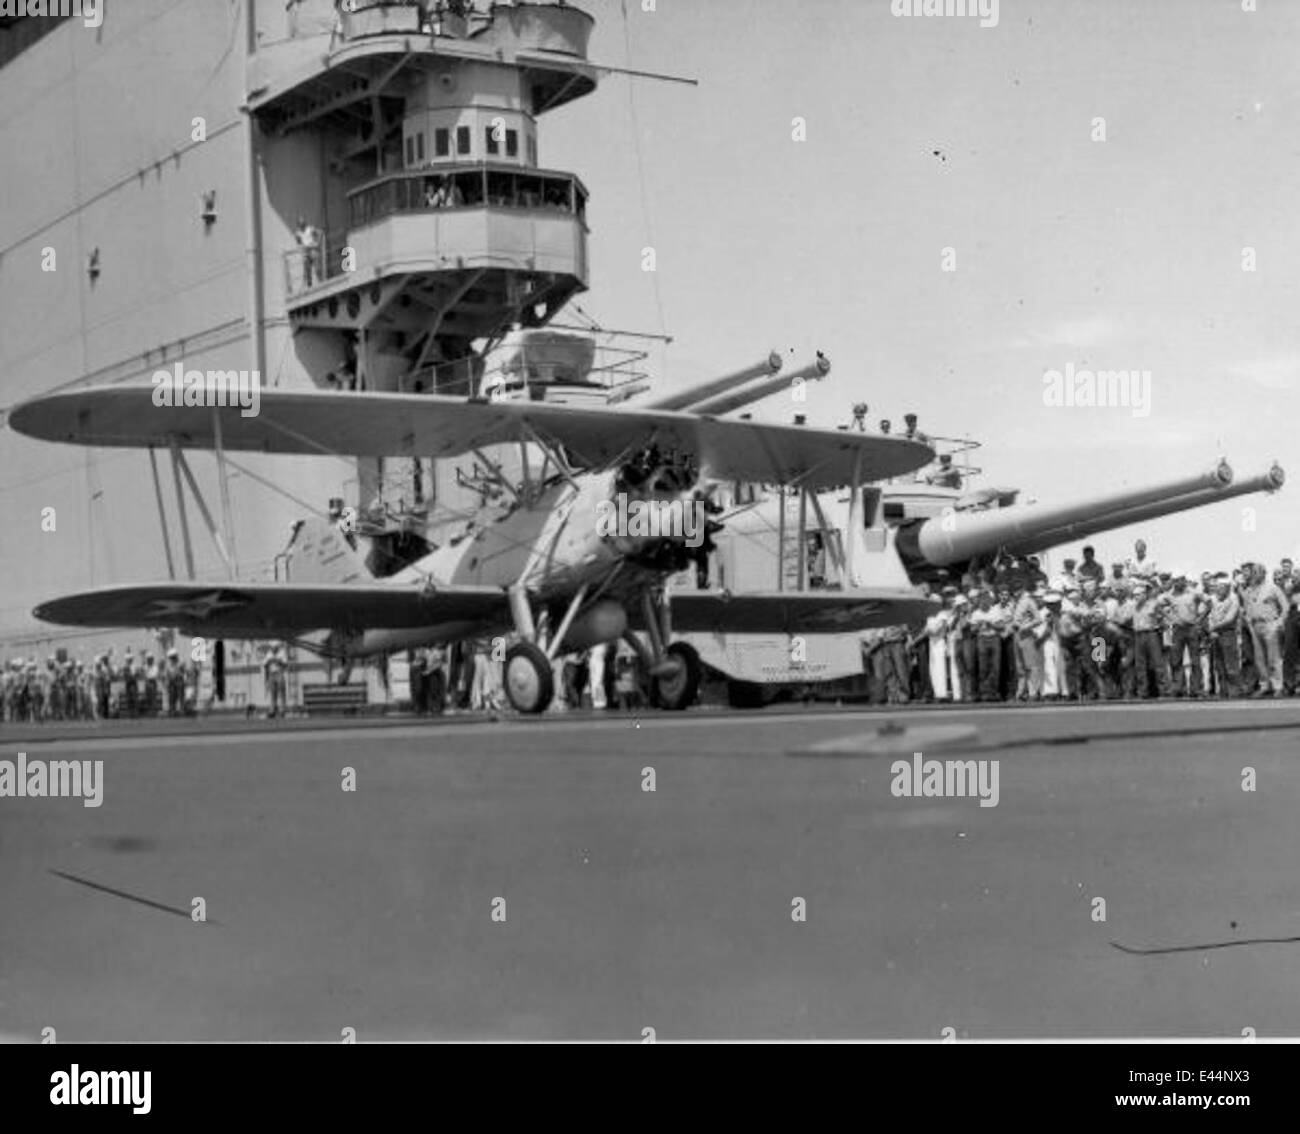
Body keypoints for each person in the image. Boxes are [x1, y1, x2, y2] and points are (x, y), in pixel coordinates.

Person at [1242, 562, 1287, 697]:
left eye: (1258, 572)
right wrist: (1249, 622)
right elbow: (1247, 608)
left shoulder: (1272, 588)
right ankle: (1264, 685)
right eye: (1254, 572)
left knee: (1274, 657)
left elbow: (1285, 606)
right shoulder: (1249, 590)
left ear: (1263, 573)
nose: (1255, 574)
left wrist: (1278, 623)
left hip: (1269, 625)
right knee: (1259, 658)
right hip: (1255, 626)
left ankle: (1278, 686)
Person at [1206, 575, 1242, 698]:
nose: (1218, 589)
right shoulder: (1213, 599)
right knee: (1219, 664)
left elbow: (1230, 618)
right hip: (1215, 634)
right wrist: (1212, 630)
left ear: (1228, 588)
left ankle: (1234, 691)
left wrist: (1214, 627)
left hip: (1228, 633)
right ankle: (1223, 690)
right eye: (1217, 587)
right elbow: (1210, 616)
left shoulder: (1234, 598)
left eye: (1221, 587)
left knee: (1230, 664)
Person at [294, 214, 322, 287]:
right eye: (300, 223)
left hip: (313, 249)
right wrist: (301, 247)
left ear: (305, 223)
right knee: (308, 270)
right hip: (306, 252)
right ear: (298, 224)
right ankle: (310, 286)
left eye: (303, 223)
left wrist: (317, 243)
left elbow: (319, 233)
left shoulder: (310, 229)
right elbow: (298, 242)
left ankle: (322, 282)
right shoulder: (298, 233)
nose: (302, 225)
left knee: (317, 268)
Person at [263, 642, 289, 718]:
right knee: (273, 693)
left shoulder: (282, 653)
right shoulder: (269, 654)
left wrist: (278, 661)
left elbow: (285, 663)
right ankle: (272, 710)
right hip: (271, 674)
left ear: (277, 647)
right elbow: (264, 664)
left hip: (279, 673)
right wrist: (269, 661)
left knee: (281, 693)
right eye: (272, 647)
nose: (273, 649)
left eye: (275, 647)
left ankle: (282, 710)